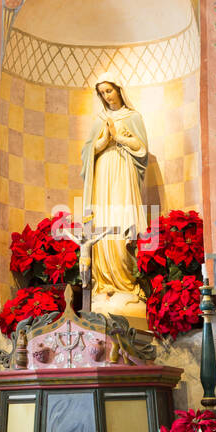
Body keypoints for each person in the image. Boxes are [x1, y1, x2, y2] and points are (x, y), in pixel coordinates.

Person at [80, 76, 149, 308]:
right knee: (103, 226)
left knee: (122, 225)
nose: (106, 96)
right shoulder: (100, 120)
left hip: (123, 172)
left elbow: (142, 151)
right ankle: (104, 283)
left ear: (119, 90)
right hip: (103, 173)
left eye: (109, 90)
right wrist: (104, 140)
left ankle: (126, 284)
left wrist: (119, 138)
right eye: (102, 93)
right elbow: (88, 152)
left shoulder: (134, 117)